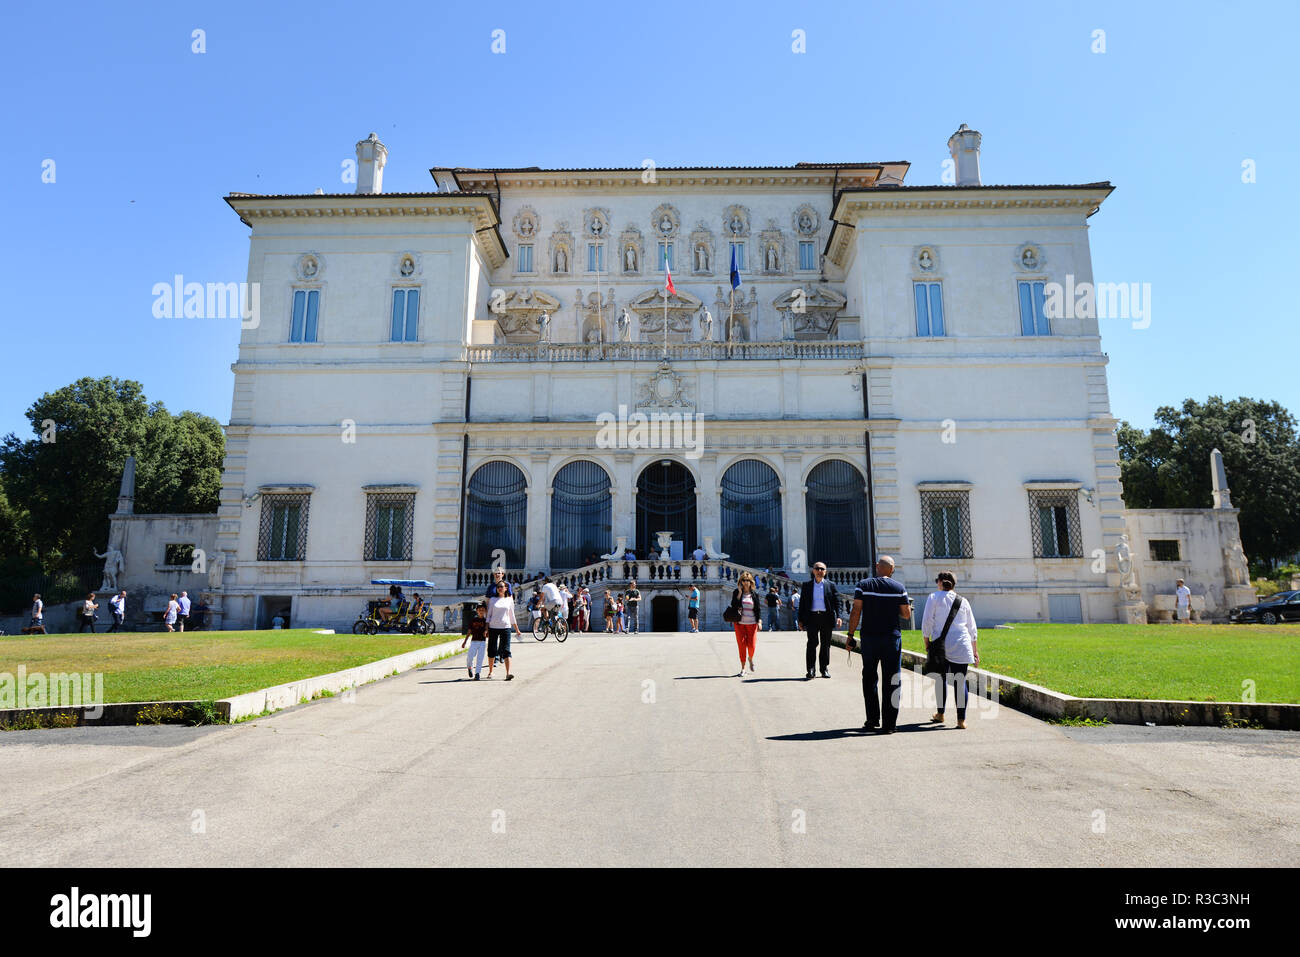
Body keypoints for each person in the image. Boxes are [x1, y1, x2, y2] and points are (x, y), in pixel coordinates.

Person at [846, 556, 911, 733]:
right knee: (892, 680)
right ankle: (890, 725)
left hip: (870, 638)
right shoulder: (899, 588)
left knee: (869, 678)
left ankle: (872, 719)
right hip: (891, 639)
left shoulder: (863, 585)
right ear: (891, 570)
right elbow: (906, 615)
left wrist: (850, 635)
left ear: (877, 567)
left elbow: (856, 611)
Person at [923, 571, 979, 729]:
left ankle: (940, 714)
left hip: (941, 646)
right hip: (962, 644)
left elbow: (927, 622)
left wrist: (927, 642)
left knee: (940, 680)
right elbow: (972, 628)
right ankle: (961, 720)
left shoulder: (933, 598)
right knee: (960, 682)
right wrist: (975, 651)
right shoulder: (963, 601)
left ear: (940, 582)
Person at [798, 562, 843, 679]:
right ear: (813, 571)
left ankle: (824, 669)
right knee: (812, 644)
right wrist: (800, 620)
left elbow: (837, 601)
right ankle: (811, 670)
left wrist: (839, 616)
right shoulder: (807, 585)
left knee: (825, 645)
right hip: (812, 618)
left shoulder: (830, 585)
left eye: (822, 569)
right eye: (817, 568)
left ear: (825, 571)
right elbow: (802, 604)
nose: (819, 570)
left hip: (826, 618)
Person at [485, 580, 523, 680]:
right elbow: (488, 616)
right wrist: (486, 629)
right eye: (498, 587)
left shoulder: (509, 600)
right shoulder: (492, 600)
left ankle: (508, 673)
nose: (500, 588)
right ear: (496, 589)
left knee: (506, 650)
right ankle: (490, 672)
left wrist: (517, 629)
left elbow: (512, 615)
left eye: (502, 586)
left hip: (506, 627)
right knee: (492, 650)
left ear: (506, 588)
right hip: (493, 627)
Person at [728, 571, 762, 676]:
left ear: (751, 581)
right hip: (739, 624)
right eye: (743, 580)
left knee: (751, 645)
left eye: (747, 580)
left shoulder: (754, 594)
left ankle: (750, 658)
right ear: (741, 582)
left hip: (752, 623)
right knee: (741, 645)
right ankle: (743, 668)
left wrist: (759, 621)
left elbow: (758, 609)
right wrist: (739, 593)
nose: (745, 582)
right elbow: (733, 605)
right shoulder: (736, 592)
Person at [462, 601, 489, 679]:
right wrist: (465, 641)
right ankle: (470, 667)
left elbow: (488, 633)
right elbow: (469, 631)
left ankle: (477, 673)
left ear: (485, 611)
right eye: (479, 610)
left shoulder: (486, 621)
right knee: (470, 657)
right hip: (474, 641)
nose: (481, 611)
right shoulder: (473, 620)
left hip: (482, 642)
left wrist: (486, 633)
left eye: (483, 610)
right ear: (477, 611)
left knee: (480, 658)